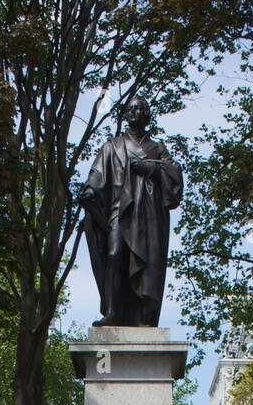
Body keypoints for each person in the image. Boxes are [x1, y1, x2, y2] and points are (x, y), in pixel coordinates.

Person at [78, 95, 183, 327]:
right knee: (114, 255)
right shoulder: (112, 147)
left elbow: (174, 175)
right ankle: (113, 312)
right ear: (125, 115)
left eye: (140, 109)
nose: (134, 112)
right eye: (131, 109)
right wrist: (90, 191)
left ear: (147, 115)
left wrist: (151, 169)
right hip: (120, 212)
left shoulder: (157, 148)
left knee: (148, 266)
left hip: (149, 218)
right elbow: (96, 175)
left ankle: (145, 315)